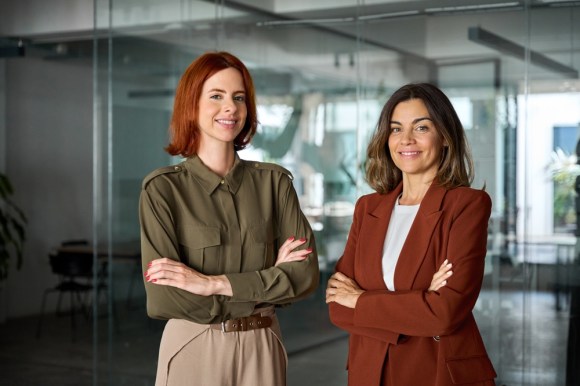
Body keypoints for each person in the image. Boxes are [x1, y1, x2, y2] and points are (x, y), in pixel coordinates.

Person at [139, 51, 319, 386]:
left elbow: (304, 276)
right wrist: (269, 281)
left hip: (262, 345)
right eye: (216, 96)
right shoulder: (162, 190)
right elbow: (164, 298)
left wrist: (212, 283)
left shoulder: (274, 183)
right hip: (194, 344)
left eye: (239, 98)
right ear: (192, 106)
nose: (231, 108)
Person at [326, 82, 497, 386]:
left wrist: (361, 300)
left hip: (435, 372)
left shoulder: (466, 205)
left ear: (444, 137)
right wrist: (418, 302)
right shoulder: (368, 208)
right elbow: (338, 308)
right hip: (369, 372)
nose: (405, 139)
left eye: (421, 128)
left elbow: (444, 314)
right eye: (395, 129)